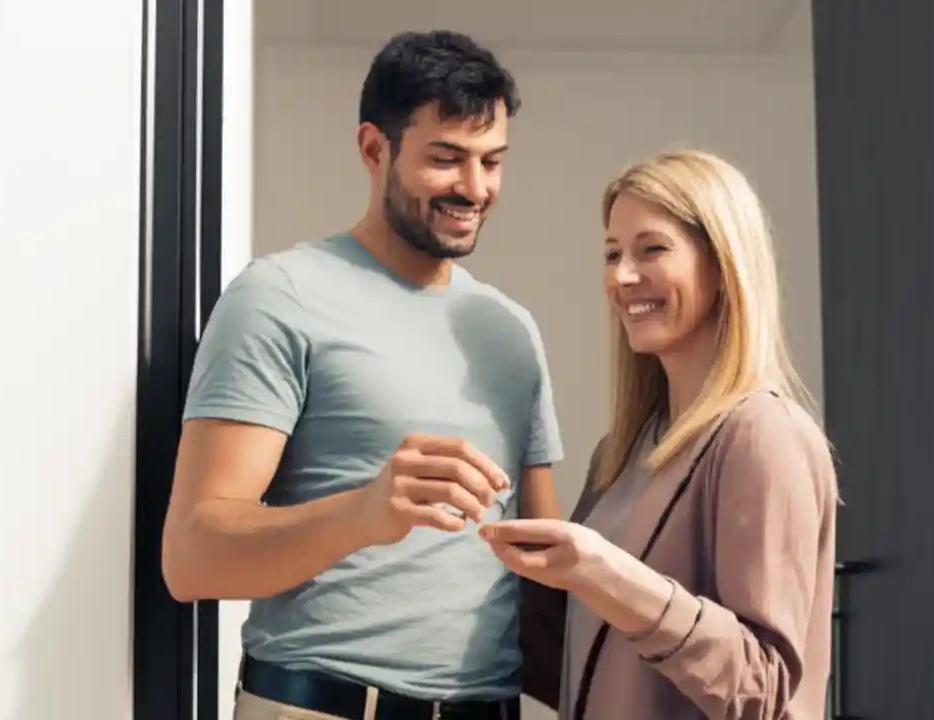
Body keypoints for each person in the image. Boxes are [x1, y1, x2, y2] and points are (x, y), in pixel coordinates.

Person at [161, 30, 563, 720]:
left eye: (492, 161)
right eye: (447, 159)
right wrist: (365, 512)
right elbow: (193, 559)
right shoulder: (280, 295)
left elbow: (543, 569)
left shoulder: (511, 329)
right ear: (375, 150)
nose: (475, 188)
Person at [480, 149, 838, 719]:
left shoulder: (764, 435)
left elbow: (765, 691)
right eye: (612, 254)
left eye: (652, 249)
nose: (622, 276)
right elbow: (576, 662)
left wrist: (606, 573)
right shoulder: (619, 455)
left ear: (722, 265)